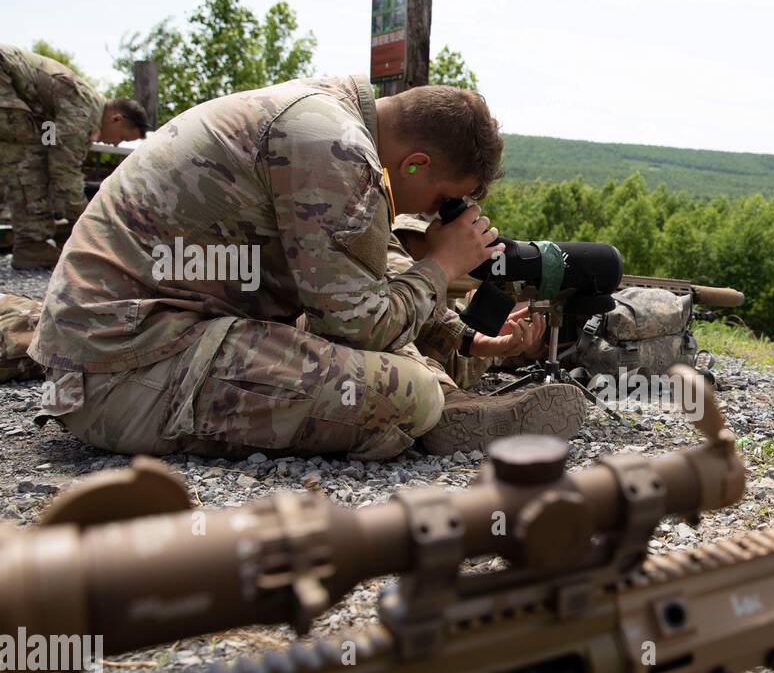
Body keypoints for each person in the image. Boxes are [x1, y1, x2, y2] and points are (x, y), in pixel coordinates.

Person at [29, 75, 587, 461]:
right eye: (441, 198)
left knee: (390, 355)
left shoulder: (330, 117)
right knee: (411, 393)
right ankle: (441, 411)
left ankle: (458, 406)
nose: (431, 214)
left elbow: (356, 293)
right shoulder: (336, 148)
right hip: (120, 372)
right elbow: (360, 326)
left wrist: (463, 338)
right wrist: (443, 264)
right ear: (415, 162)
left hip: (143, 336)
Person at [0, 44, 148, 269]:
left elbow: (50, 146)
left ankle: (33, 243)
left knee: (36, 152)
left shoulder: (80, 106)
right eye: (124, 138)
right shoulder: (84, 113)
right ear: (116, 119)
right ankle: (31, 245)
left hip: (9, 79)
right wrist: (90, 227)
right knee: (28, 156)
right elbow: (64, 170)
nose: (116, 144)